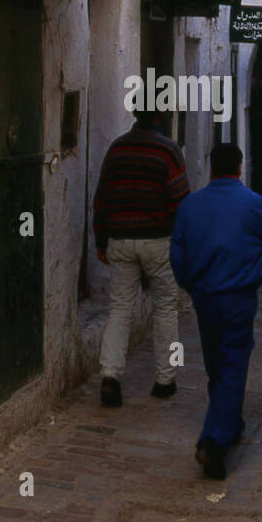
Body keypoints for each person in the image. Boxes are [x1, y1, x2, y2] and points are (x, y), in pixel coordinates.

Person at [170, 142, 262, 480]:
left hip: (204, 296)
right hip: (238, 297)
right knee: (233, 364)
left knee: (216, 361)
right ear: (240, 168)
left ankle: (230, 420)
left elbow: (177, 255)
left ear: (211, 168)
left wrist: (191, 286)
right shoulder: (253, 205)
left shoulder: (190, 206)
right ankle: (213, 441)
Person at [93, 108, 189, 407]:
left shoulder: (117, 149)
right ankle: (165, 379)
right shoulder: (168, 151)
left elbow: (101, 199)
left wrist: (100, 241)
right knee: (166, 308)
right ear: (160, 116)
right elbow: (181, 202)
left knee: (119, 309)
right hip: (158, 241)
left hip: (120, 240)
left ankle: (110, 375)